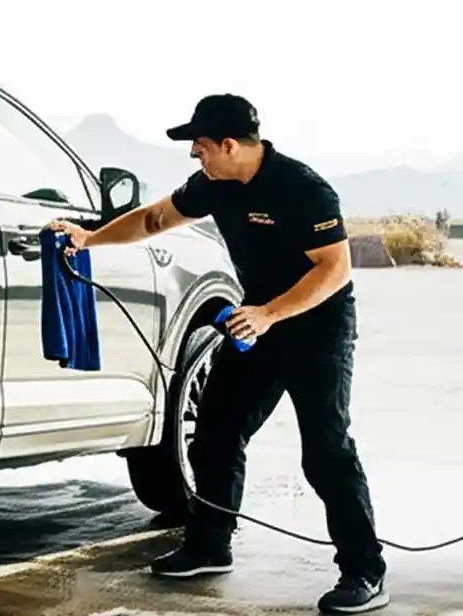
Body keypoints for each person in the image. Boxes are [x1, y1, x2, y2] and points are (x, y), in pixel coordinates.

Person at [48, 94, 388, 614]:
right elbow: (154, 219)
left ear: (229, 145)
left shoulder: (304, 188)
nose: (195, 157)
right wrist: (90, 239)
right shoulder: (214, 185)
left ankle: (364, 571)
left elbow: (333, 270)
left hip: (317, 328)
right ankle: (210, 545)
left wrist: (271, 313)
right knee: (215, 430)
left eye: (201, 147)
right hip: (258, 322)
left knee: (326, 451)